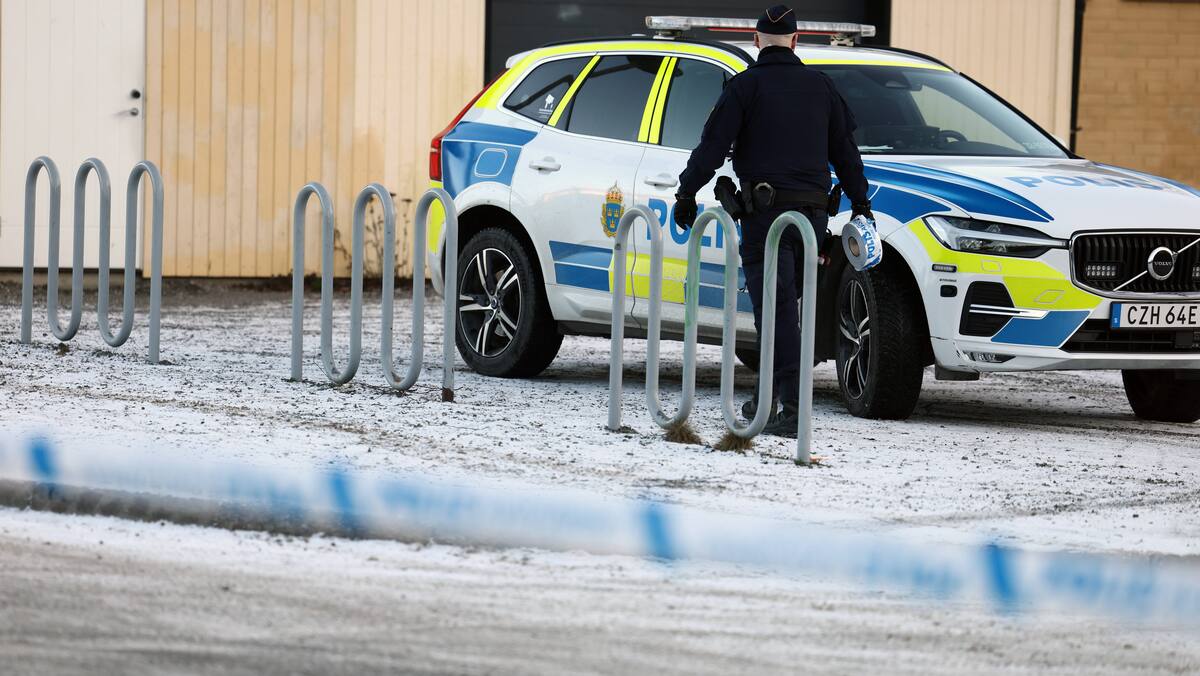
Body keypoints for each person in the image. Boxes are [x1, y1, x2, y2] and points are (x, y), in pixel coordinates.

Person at [673, 4, 873, 437]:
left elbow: (711, 147)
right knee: (786, 311)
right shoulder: (822, 88)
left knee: (776, 311)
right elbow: (846, 153)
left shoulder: (745, 88)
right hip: (812, 220)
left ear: (757, 39)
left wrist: (686, 192)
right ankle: (769, 396)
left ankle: (792, 409)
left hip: (765, 218)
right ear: (797, 41)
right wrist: (861, 204)